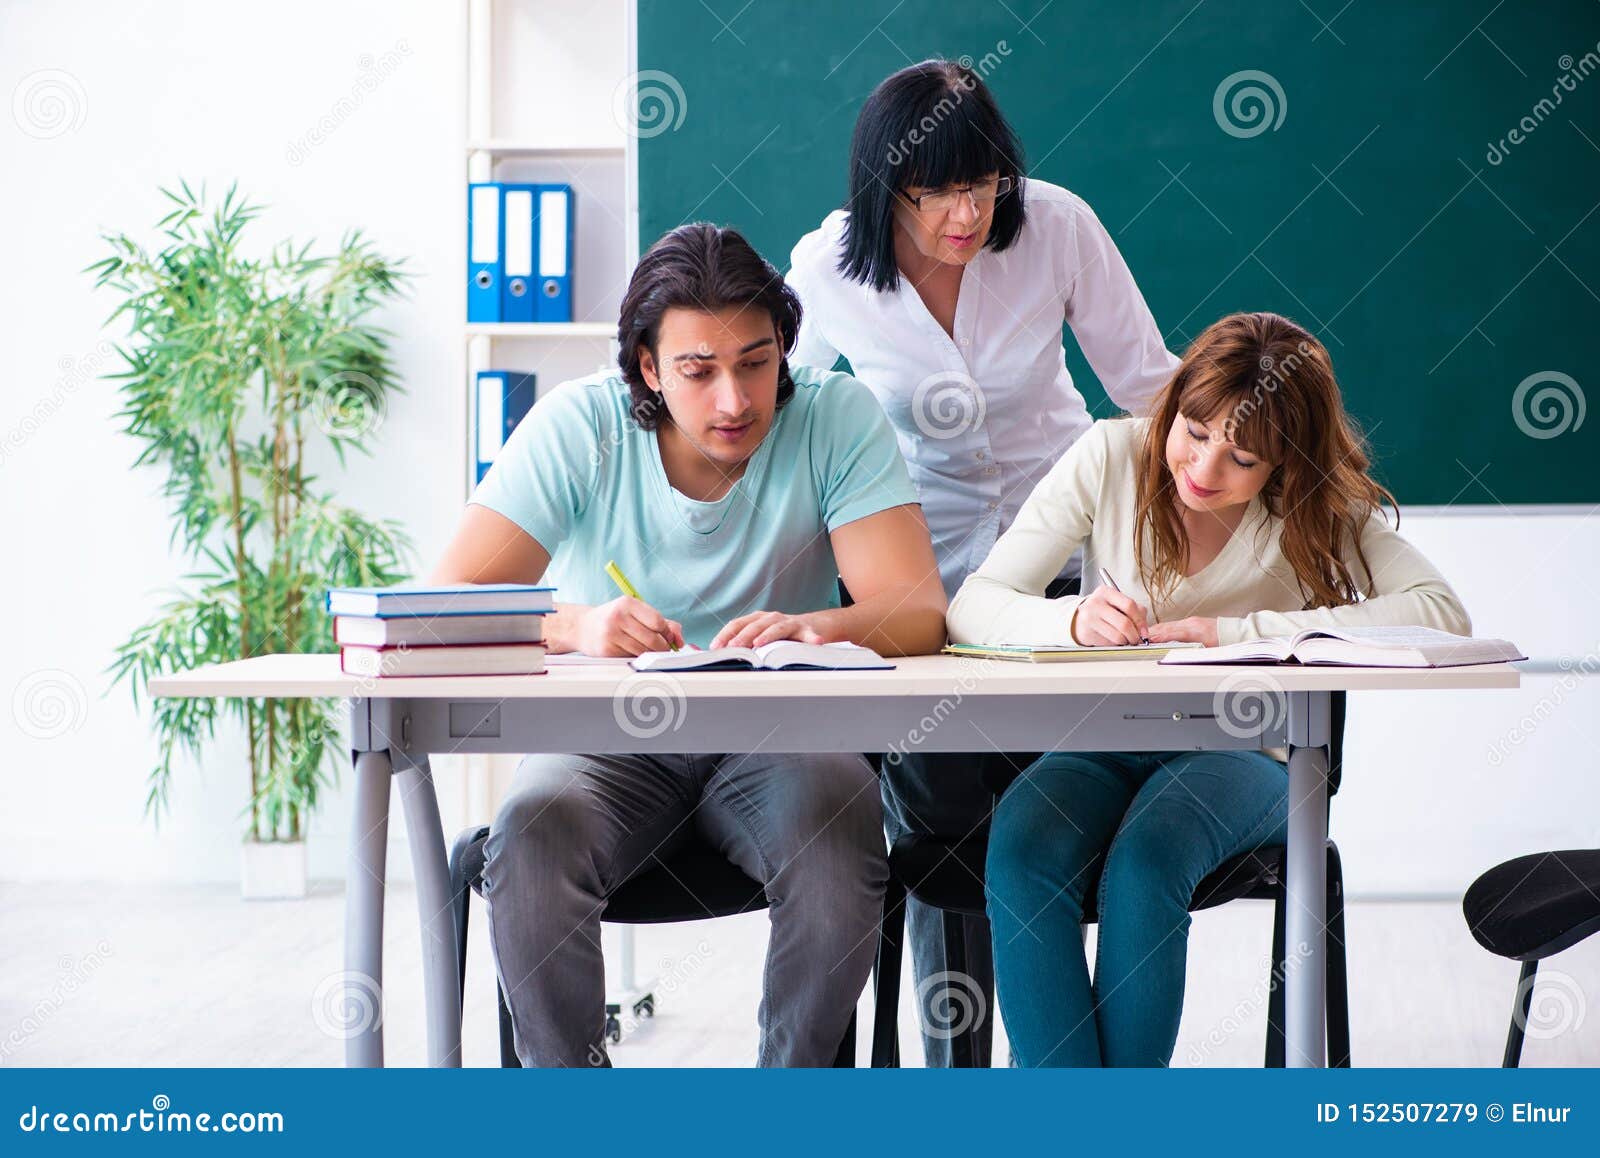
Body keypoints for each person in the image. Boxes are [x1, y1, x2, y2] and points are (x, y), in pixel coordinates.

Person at [430, 222, 947, 1066]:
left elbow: (918, 610)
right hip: (610, 743)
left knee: (841, 830)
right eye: (698, 373)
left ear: (785, 346)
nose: (735, 401)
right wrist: (573, 625)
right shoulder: (580, 425)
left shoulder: (832, 414)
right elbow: (445, 605)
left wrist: (814, 626)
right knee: (529, 837)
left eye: (755, 362)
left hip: (780, 741)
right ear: (646, 368)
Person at [785, 58, 1179, 1064]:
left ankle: (1073, 1073)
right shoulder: (827, 267)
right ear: (886, 191)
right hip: (918, 588)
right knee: (941, 843)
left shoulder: (1055, 226)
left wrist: (1264, 442)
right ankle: (957, 1081)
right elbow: (771, 422)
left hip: (1066, 576)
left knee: (1061, 827)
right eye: (935, 192)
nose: (966, 213)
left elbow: (1148, 387)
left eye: (984, 185)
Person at [947, 311, 1472, 1066]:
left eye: (1242, 458)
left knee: (1148, 860)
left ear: (1285, 464)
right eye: (1194, 432)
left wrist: (1241, 635)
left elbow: (1441, 615)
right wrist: (1070, 620)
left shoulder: (1313, 502)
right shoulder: (1109, 456)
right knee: (1022, 849)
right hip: (1101, 742)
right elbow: (975, 603)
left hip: (1243, 755)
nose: (1203, 469)